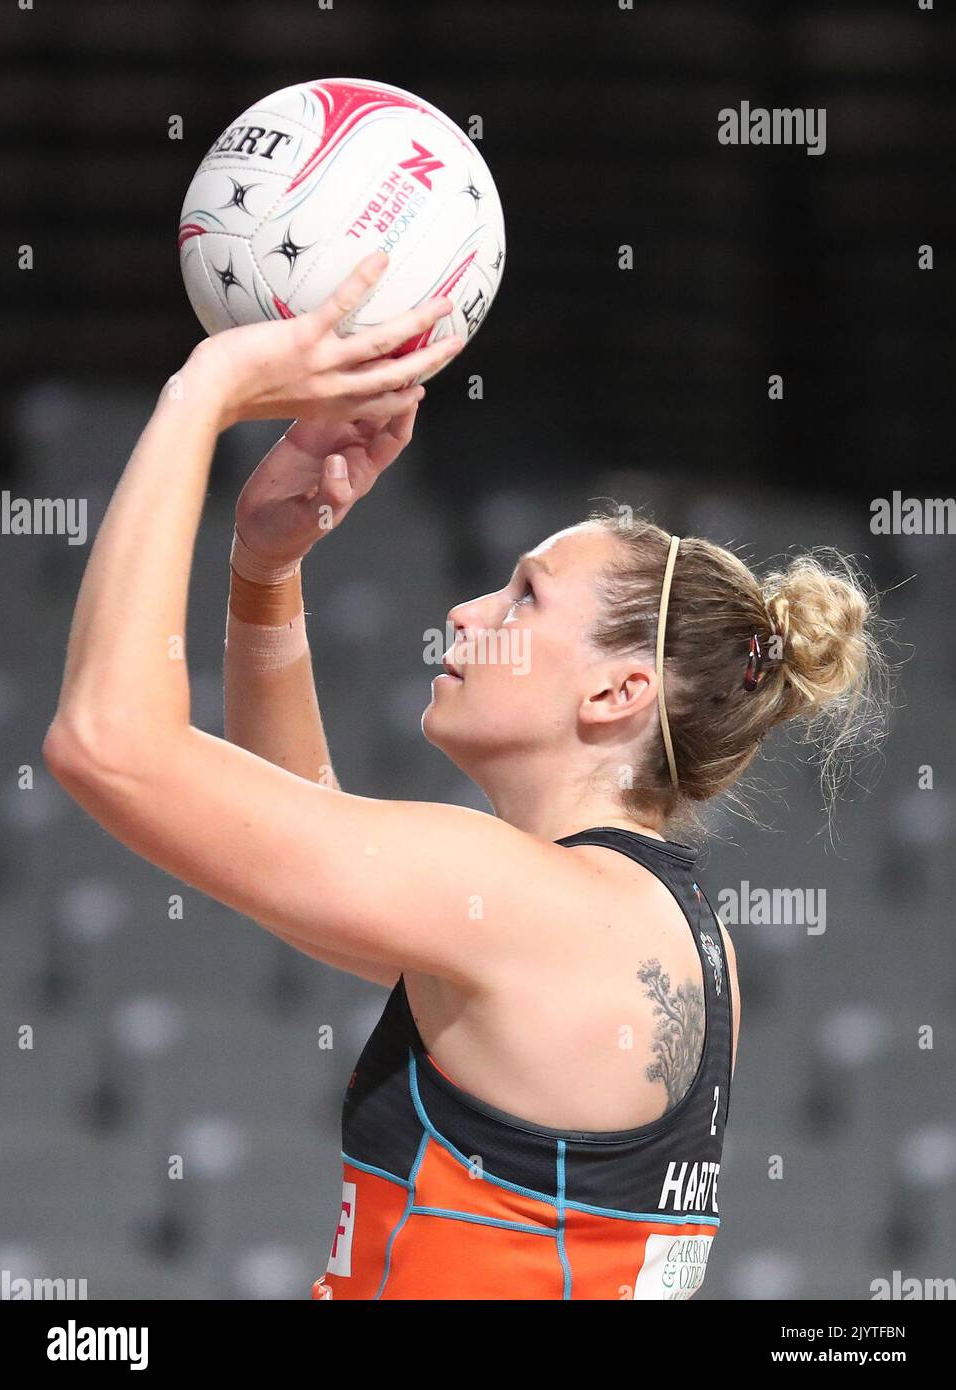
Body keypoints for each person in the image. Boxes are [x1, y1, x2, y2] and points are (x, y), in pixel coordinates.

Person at [44, 249, 883, 1300]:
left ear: (616, 693)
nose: (465, 612)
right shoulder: (644, 923)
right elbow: (308, 863)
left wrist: (199, 394)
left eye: (523, 596)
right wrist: (265, 571)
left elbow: (105, 741)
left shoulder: (536, 908)